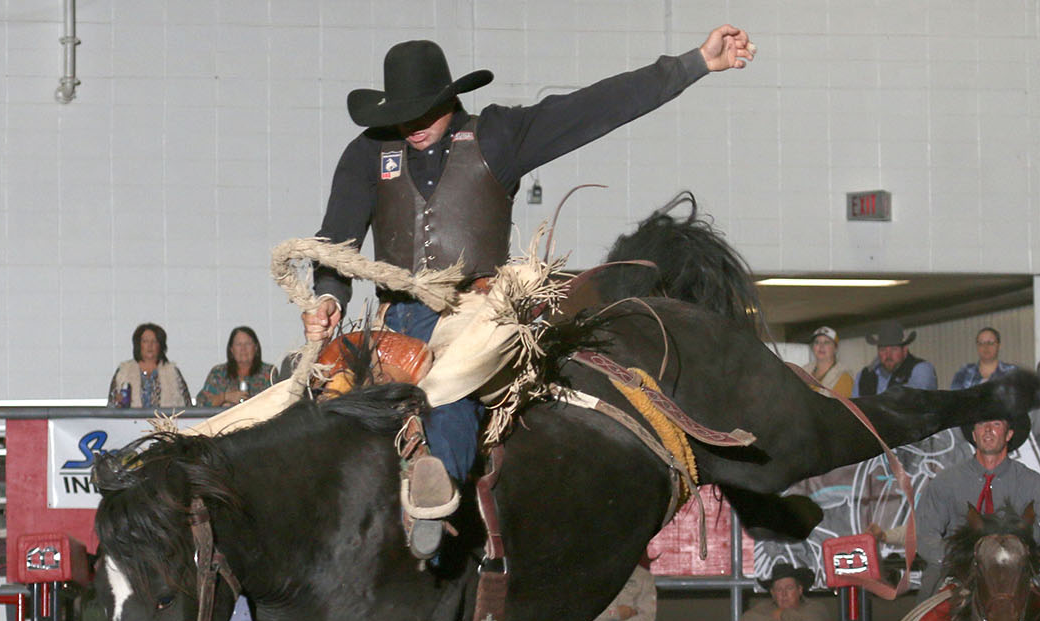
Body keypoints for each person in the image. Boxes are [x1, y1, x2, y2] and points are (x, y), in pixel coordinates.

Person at [302, 25, 758, 558]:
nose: (414, 125)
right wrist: (327, 297)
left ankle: (436, 497)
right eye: (403, 115)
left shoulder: (497, 136)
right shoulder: (368, 152)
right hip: (394, 318)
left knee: (451, 387)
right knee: (311, 392)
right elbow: (335, 240)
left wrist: (696, 62)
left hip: (474, 312)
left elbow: (595, 107)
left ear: (449, 100)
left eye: (423, 112)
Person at [902, 418, 1040, 596]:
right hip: (955, 573)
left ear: (1009, 434)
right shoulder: (945, 483)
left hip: (1015, 575)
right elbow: (925, 535)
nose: (988, 429)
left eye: (996, 423)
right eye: (981, 423)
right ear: (974, 435)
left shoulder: (1034, 484)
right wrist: (959, 558)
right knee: (930, 602)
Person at [107, 322, 192, 409]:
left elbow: (187, 407)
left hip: (165, 418)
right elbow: (111, 406)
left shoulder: (172, 372)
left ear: (160, 345)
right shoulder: (124, 371)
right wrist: (118, 403)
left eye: (154, 341)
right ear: (139, 344)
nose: (150, 345)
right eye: (145, 341)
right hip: (130, 418)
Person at [198, 326, 275, 408]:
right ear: (231, 349)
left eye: (248, 344)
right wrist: (224, 397)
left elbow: (279, 403)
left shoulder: (269, 373)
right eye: (238, 344)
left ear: (256, 347)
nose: (243, 348)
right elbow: (201, 403)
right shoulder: (218, 373)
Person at [853, 321, 937, 396]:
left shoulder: (921, 369)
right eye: (883, 350)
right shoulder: (864, 376)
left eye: (894, 349)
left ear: (905, 350)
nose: (888, 355)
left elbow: (918, 401)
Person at [950, 326, 1017, 390]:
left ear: (998, 345)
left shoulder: (1013, 372)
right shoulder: (963, 373)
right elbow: (954, 397)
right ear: (977, 346)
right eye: (981, 343)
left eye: (990, 343)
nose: (986, 347)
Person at [795, 326, 853, 397]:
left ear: (835, 348)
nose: (821, 346)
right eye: (817, 342)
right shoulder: (803, 372)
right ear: (813, 347)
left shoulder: (843, 376)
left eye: (826, 342)